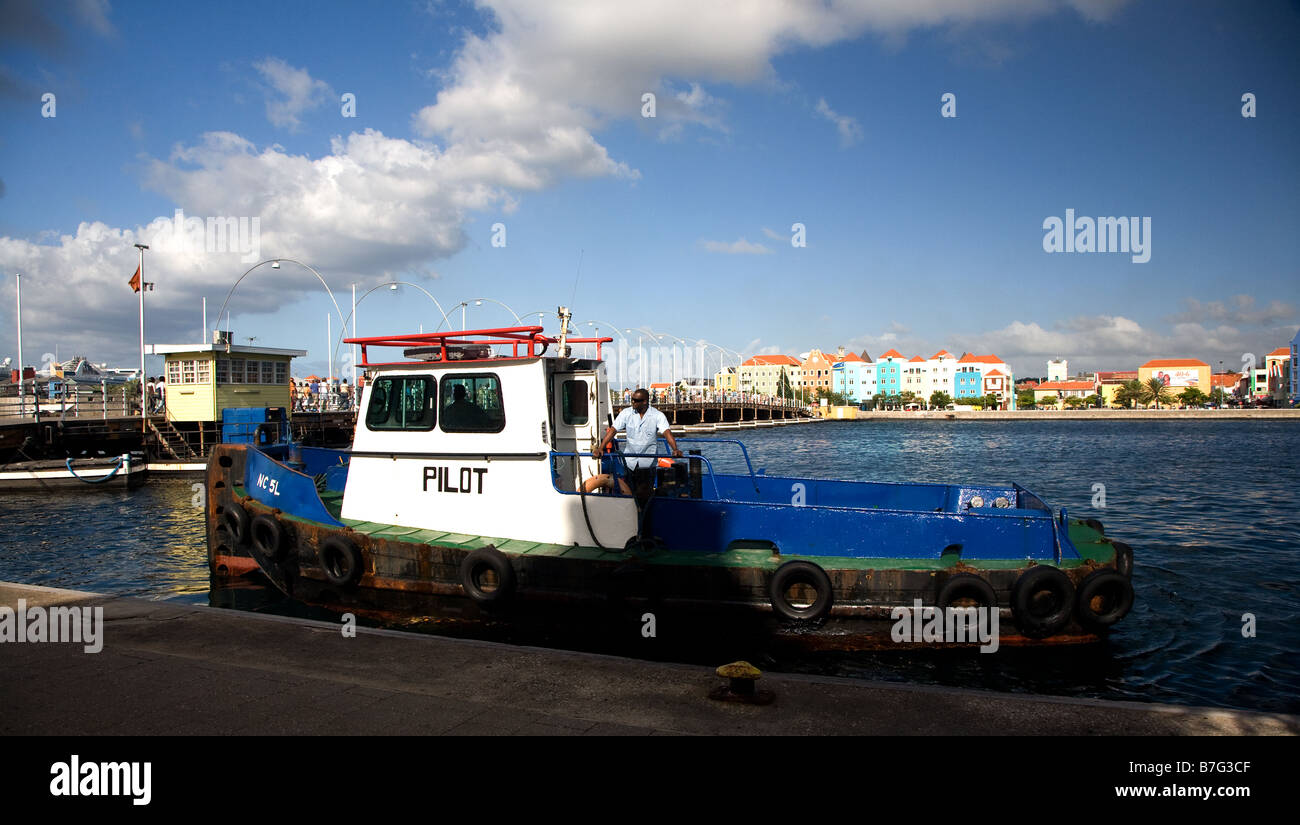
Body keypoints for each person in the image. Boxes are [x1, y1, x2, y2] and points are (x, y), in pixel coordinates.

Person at [596, 387, 682, 498]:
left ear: (645, 401)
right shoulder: (626, 413)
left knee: (645, 495)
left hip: (648, 462)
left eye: (636, 400)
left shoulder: (657, 416)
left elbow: (667, 433)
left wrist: (675, 449)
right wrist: (601, 448)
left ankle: (644, 513)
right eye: (632, 399)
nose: (632, 402)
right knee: (628, 493)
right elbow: (613, 430)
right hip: (630, 462)